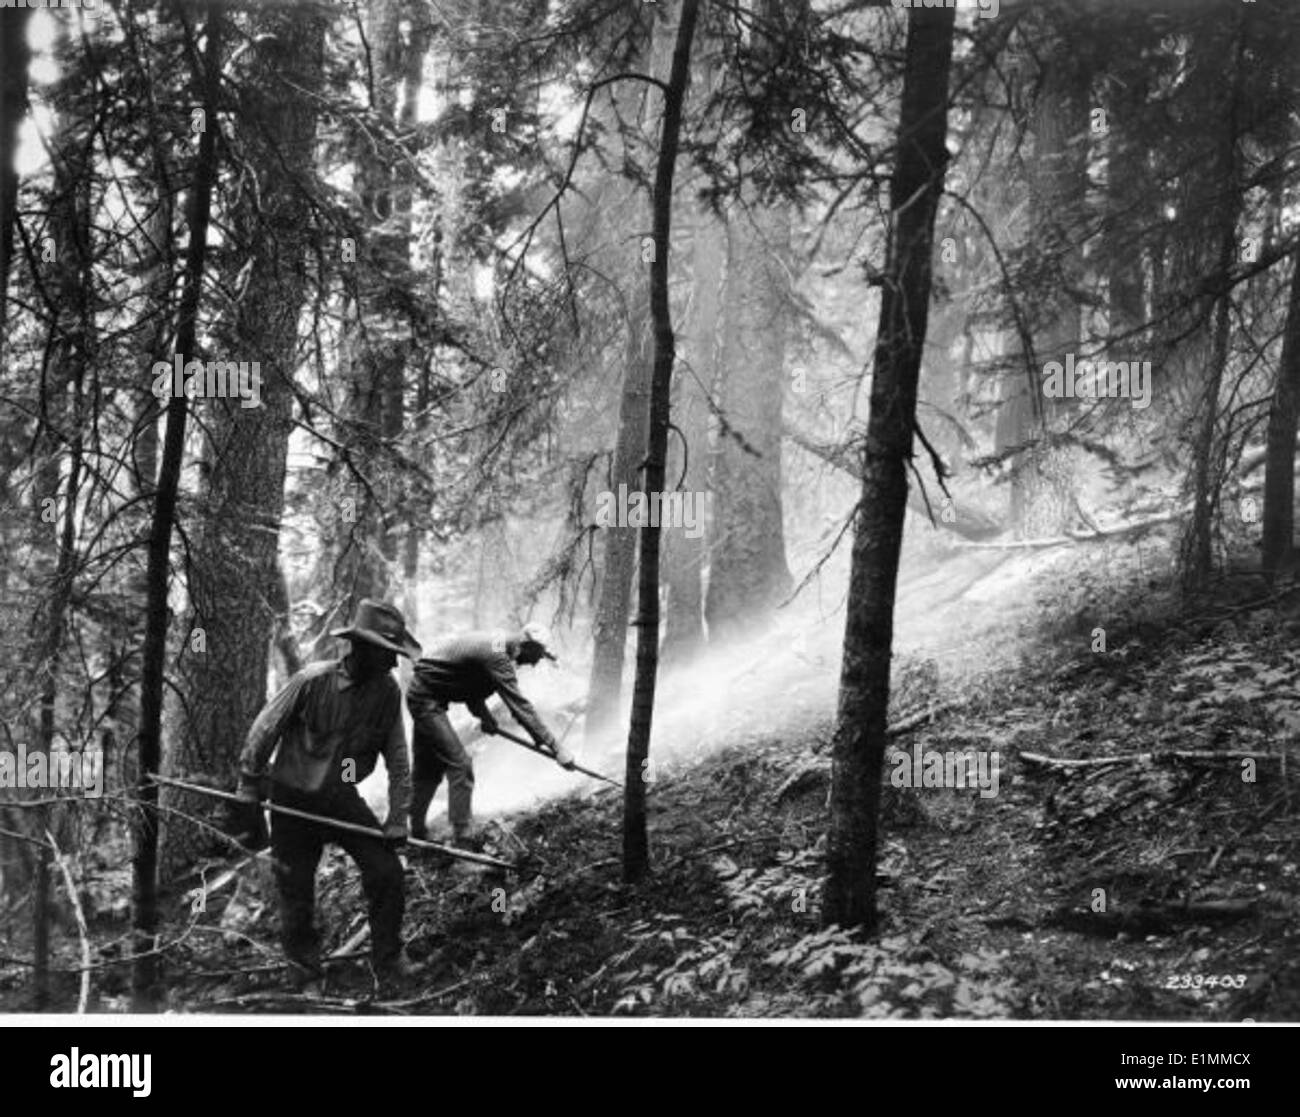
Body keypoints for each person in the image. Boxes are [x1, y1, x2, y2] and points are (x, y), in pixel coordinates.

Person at [230, 598, 420, 986]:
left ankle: (388, 960)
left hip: (341, 800)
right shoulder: (312, 681)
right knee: (296, 891)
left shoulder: (387, 693)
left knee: (386, 873)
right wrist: (249, 784)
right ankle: (304, 972)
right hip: (292, 801)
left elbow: (398, 759)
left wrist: (398, 817)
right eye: (386, 654)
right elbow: (265, 729)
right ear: (361, 647)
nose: (392, 663)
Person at [406, 622, 575, 849]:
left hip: (428, 694)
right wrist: (557, 748)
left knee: (429, 768)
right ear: (527, 644)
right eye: (537, 655)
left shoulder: (498, 644)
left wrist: (485, 717)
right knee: (460, 765)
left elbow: (468, 684)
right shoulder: (498, 655)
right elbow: (520, 706)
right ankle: (462, 836)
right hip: (426, 699)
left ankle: (415, 832)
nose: (535, 663)